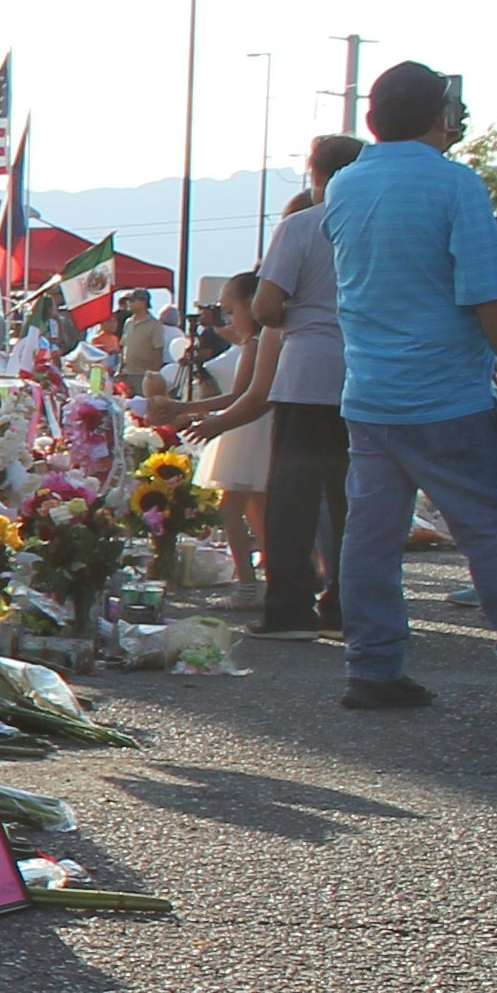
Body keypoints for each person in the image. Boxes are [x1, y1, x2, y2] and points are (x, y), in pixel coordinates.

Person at [321, 62, 497, 714]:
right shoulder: (454, 184)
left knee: (371, 536)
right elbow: (492, 296)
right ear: (441, 116)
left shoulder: (345, 186)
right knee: (495, 532)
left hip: (369, 392)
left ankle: (374, 668)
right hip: (445, 391)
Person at [203, 133, 361, 636]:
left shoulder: (302, 225)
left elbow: (267, 308)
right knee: (352, 498)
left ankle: (290, 606)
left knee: (293, 496)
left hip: (308, 371)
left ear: (314, 175)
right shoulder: (377, 223)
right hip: (367, 371)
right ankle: (348, 605)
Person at [180, 272, 271, 567]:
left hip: (246, 429)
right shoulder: (256, 340)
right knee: (257, 508)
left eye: (231, 311)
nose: (228, 318)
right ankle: (271, 572)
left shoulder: (256, 344)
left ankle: (246, 580)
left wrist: (183, 409)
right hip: (251, 429)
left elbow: (236, 397)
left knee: (231, 510)